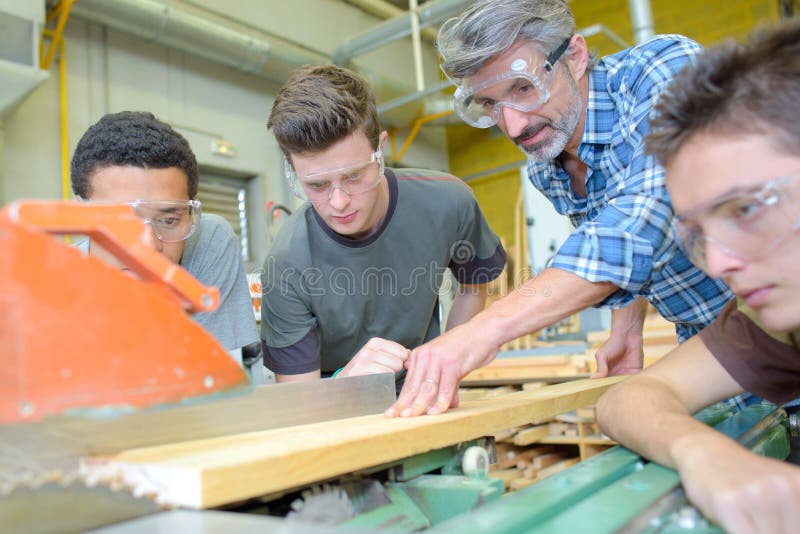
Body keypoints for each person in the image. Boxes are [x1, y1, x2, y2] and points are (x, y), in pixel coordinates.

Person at [386, 0, 732, 418]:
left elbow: (647, 215)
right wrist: (627, 327)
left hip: (779, 330)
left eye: (523, 88)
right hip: (715, 354)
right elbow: (624, 235)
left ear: (575, 56)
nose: (514, 126)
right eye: (490, 104)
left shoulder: (662, 69)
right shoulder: (547, 167)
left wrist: (483, 330)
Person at [596, 20, 800, 533]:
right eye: (700, 235)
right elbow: (627, 399)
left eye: (746, 209)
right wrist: (703, 452)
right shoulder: (778, 324)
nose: (719, 263)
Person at [261, 64, 505, 388]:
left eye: (353, 176)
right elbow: (300, 400)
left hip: (422, 391)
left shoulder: (448, 202)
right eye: (317, 185)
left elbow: (475, 284)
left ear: (381, 150)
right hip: (335, 404)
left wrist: (445, 361)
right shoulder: (286, 263)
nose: (339, 202)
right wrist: (346, 383)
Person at [71, 111, 259, 364]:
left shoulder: (208, 241)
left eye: (169, 221)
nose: (149, 245)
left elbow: (211, 373)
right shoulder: (50, 286)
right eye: (122, 221)